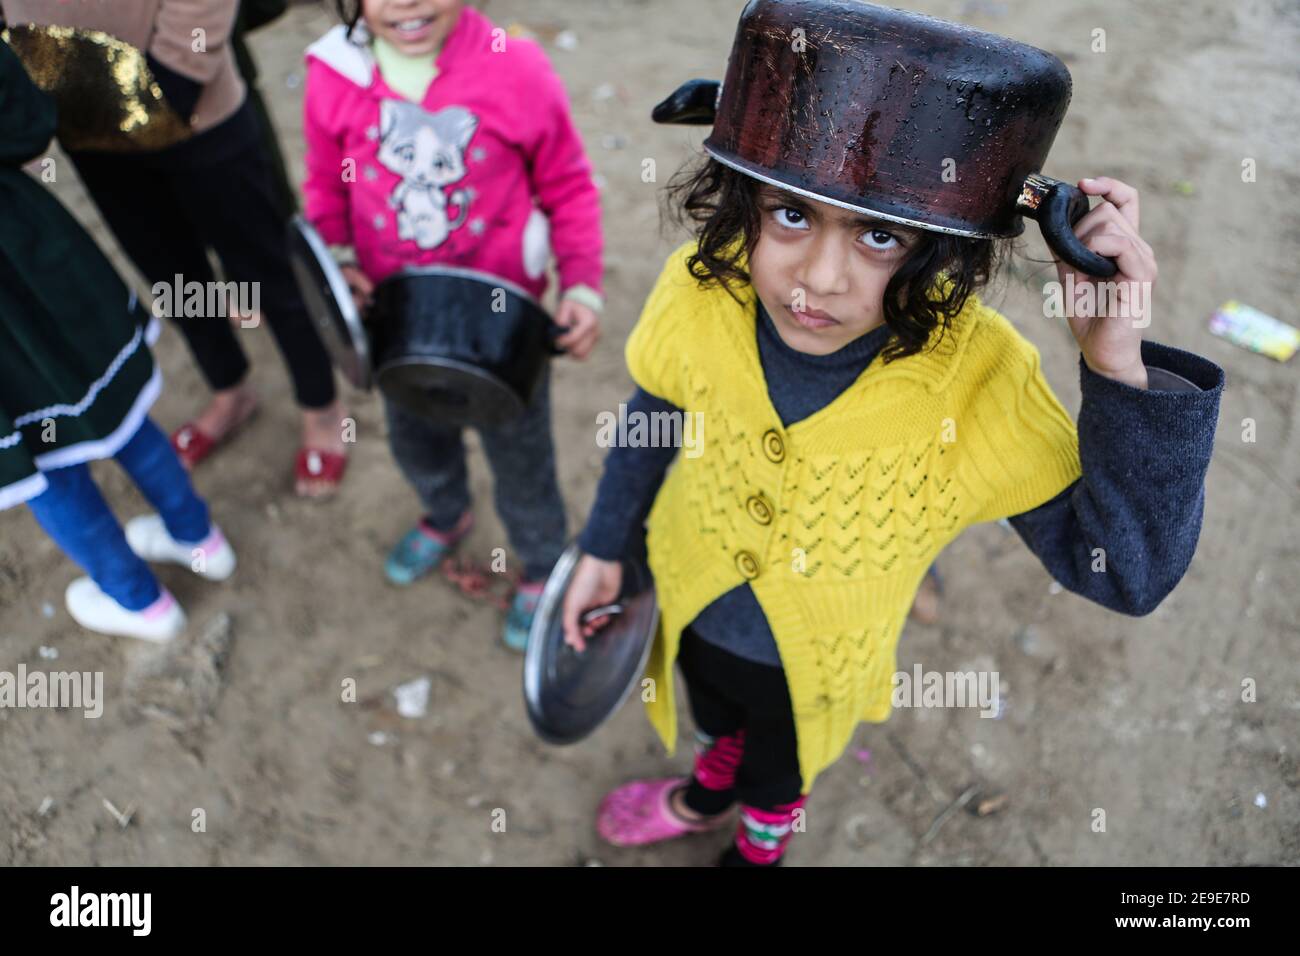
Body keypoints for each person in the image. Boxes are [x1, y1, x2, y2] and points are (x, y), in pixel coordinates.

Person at [561, 19, 1225, 865]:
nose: (820, 279)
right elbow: (653, 409)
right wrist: (604, 546)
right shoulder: (701, 291)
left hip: (817, 667)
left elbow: (1126, 570)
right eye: (791, 212)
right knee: (715, 716)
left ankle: (758, 845)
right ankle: (709, 782)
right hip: (685, 597)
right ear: (741, 194)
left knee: (780, 769)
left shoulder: (977, 380)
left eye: (880, 235)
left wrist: (1118, 369)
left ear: (946, 248)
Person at [302, 0, 604, 648]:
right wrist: (341, 262)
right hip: (399, 325)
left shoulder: (516, 68)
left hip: (504, 331)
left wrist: (581, 284)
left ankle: (542, 564)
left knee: (522, 460)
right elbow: (327, 186)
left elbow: (569, 185)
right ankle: (446, 514)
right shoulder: (334, 74)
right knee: (417, 439)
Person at [2, 0, 351, 496]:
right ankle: (231, 389)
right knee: (175, 280)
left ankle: (322, 408)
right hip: (86, 129)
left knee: (264, 269)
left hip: (194, 109)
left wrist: (174, 78)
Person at [0, 38, 235, 642]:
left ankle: (140, 602)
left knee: (42, 465)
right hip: (33, 256)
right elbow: (28, 128)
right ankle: (198, 537)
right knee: (120, 414)